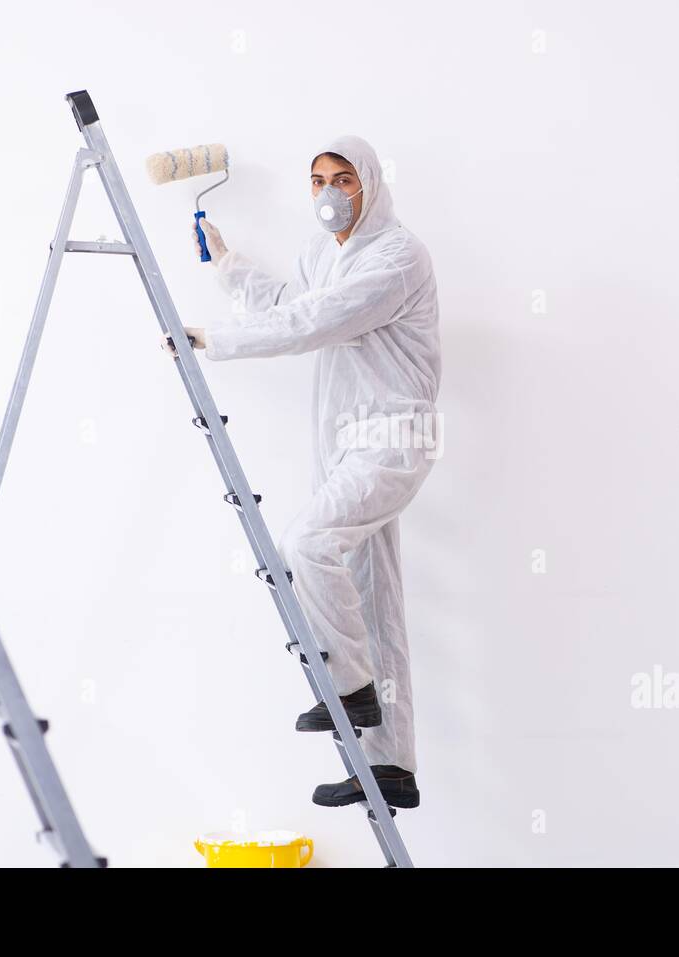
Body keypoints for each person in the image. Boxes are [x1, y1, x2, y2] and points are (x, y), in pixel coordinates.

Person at [184, 135, 440, 809]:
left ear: (372, 184)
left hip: (393, 439)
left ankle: (350, 687)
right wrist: (229, 265)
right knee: (376, 603)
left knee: (306, 543)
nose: (329, 193)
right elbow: (290, 307)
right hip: (346, 441)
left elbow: (320, 320)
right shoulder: (323, 256)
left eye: (344, 179)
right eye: (318, 179)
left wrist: (217, 340)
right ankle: (391, 768)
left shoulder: (397, 256)